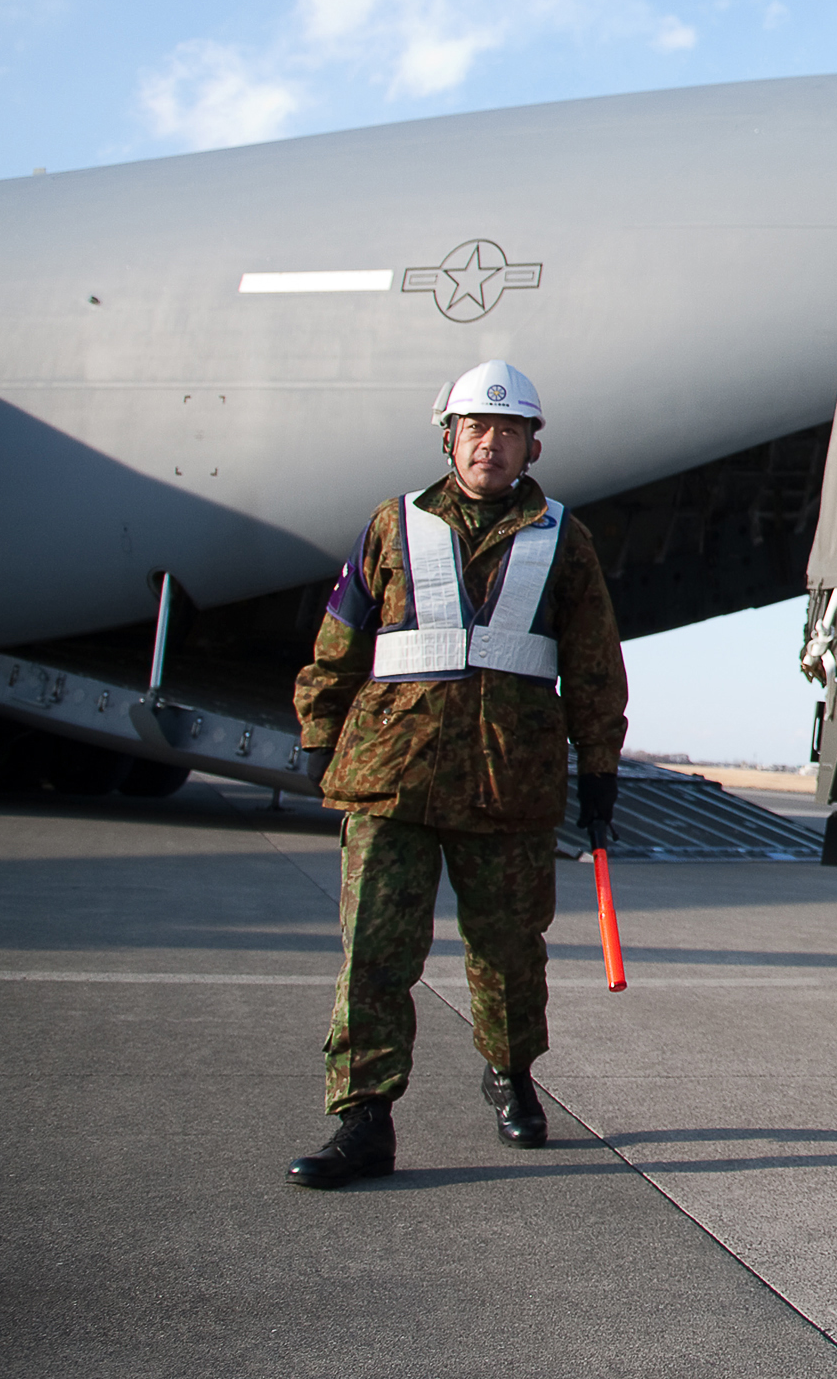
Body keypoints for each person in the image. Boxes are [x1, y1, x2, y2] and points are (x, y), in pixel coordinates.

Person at [286, 360, 629, 1188]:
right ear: (450, 438)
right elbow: (341, 637)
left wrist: (601, 767)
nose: (491, 445)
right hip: (390, 777)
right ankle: (362, 1120)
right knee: (373, 951)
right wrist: (316, 730)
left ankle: (512, 1073)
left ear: (531, 445)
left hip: (507, 782)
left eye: (508, 432)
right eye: (476, 429)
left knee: (509, 951)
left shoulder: (563, 539)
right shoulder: (391, 525)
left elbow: (592, 665)